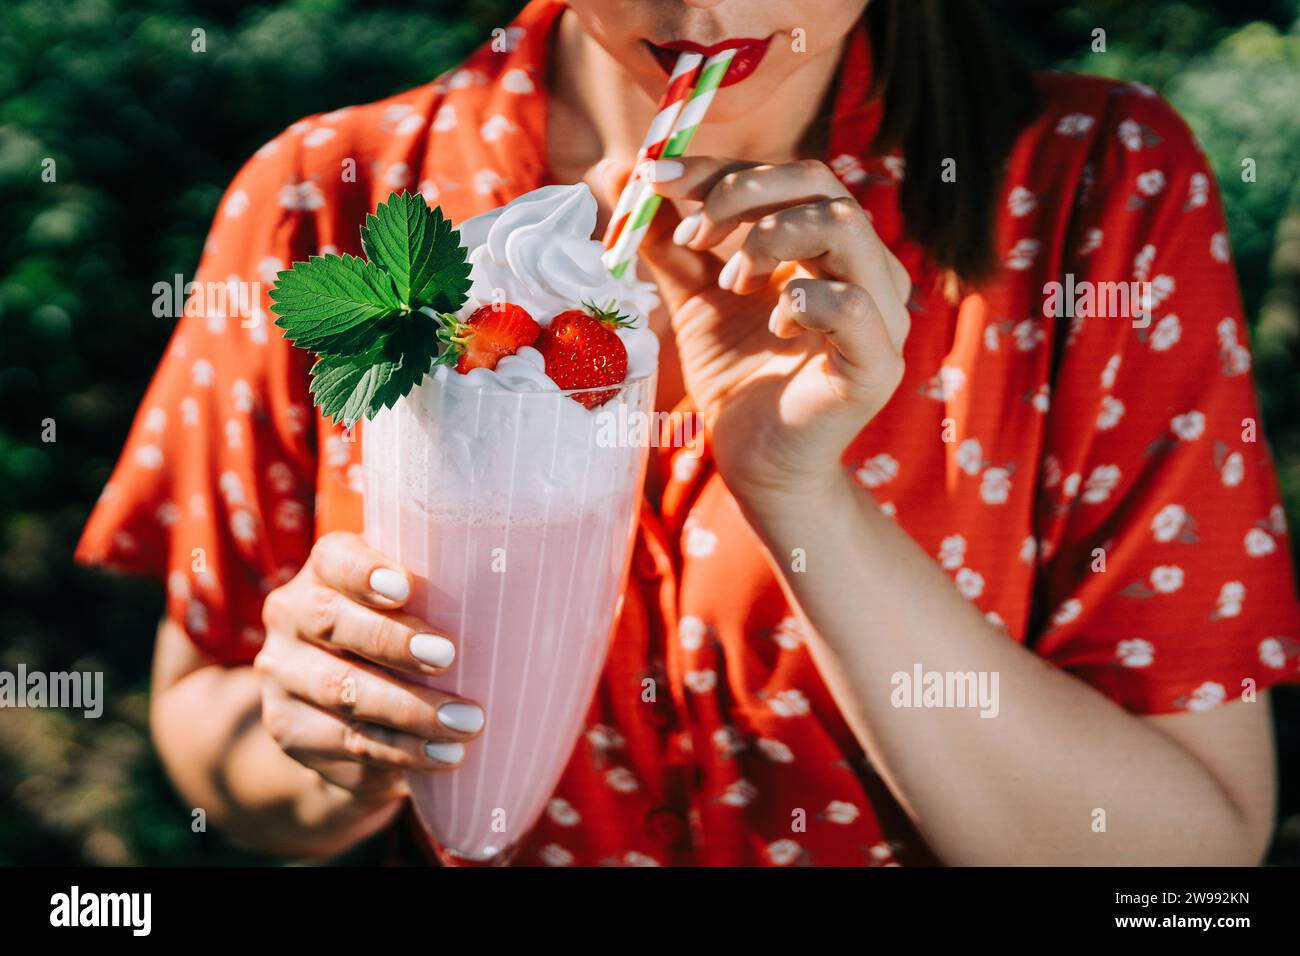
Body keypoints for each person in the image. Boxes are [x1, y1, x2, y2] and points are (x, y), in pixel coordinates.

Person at [78, 0, 1300, 866]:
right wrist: (322, 759)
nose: (707, 6)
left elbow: (1191, 849)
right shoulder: (329, 197)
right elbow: (210, 737)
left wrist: (805, 497)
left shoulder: (1097, 193)